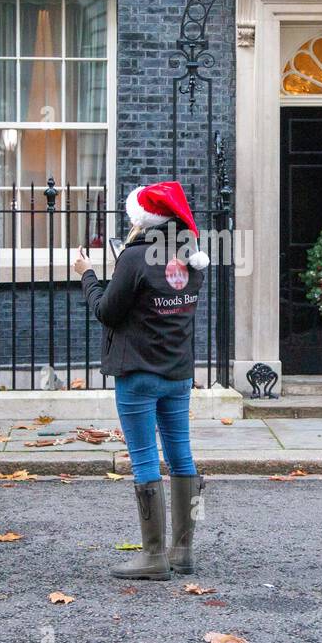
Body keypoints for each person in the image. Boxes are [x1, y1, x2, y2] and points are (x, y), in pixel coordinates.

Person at [74, 182, 209, 581]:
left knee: (146, 459)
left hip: (138, 375)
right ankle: (181, 552)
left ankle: (152, 556)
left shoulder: (134, 258)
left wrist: (89, 275)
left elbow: (107, 312)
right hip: (178, 374)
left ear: (143, 219)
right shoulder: (193, 258)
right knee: (181, 456)